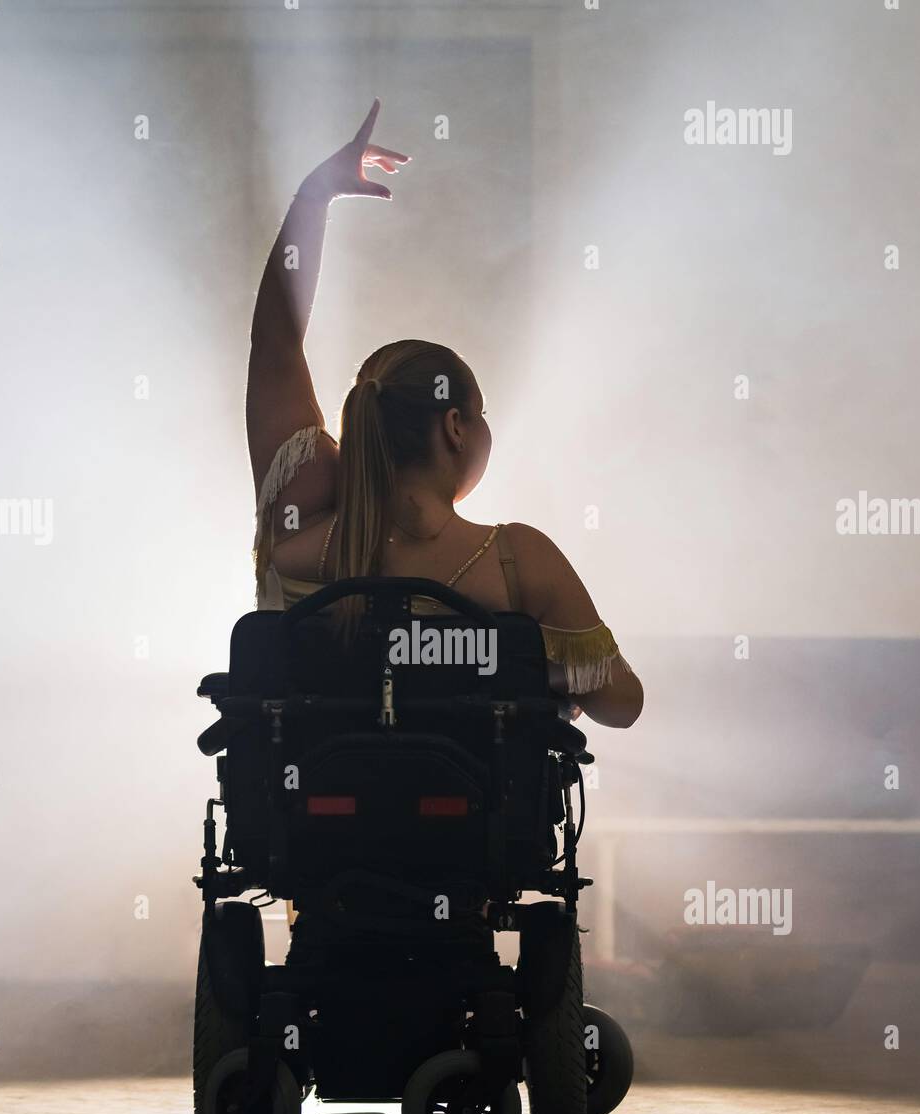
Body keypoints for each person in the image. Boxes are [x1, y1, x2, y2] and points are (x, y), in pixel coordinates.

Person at [246, 100, 643, 729]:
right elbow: (623, 705)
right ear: (456, 427)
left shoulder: (302, 517)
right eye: (480, 415)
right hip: (476, 828)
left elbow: (274, 343)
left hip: (315, 825)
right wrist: (524, 660)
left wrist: (314, 196)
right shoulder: (518, 563)